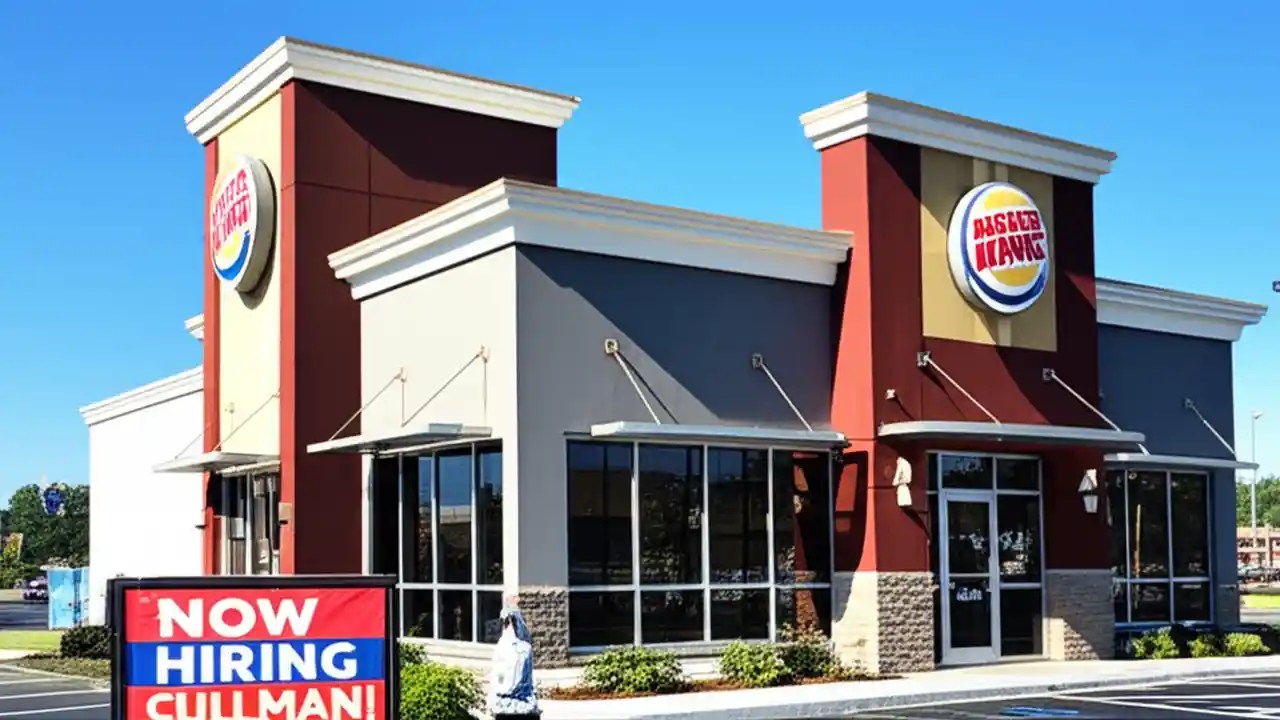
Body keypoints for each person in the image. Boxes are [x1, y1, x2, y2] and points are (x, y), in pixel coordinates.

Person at [489, 607, 538, 719]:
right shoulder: (525, 647)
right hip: (524, 705)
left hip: (508, 705)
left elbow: (499, 677)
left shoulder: (503, 647)